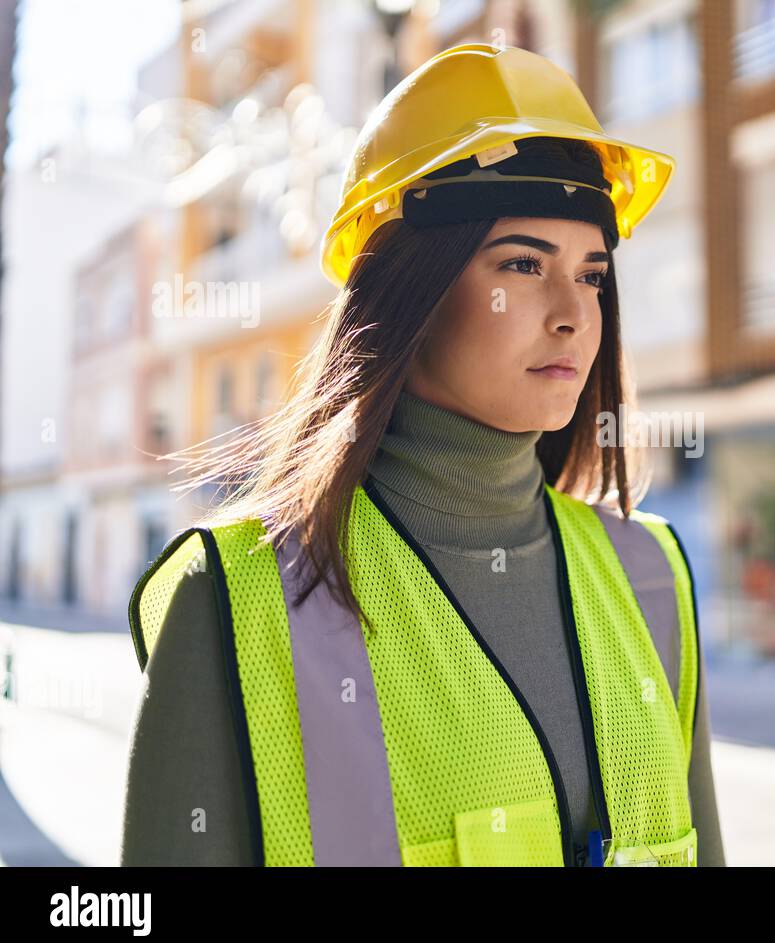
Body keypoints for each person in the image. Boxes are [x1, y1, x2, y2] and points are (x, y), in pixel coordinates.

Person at [120, 43, 725, 868]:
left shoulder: (654, 582)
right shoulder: (234, 603)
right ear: (412, 290)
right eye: (522, 265)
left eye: (591, 275)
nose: (574, 315)